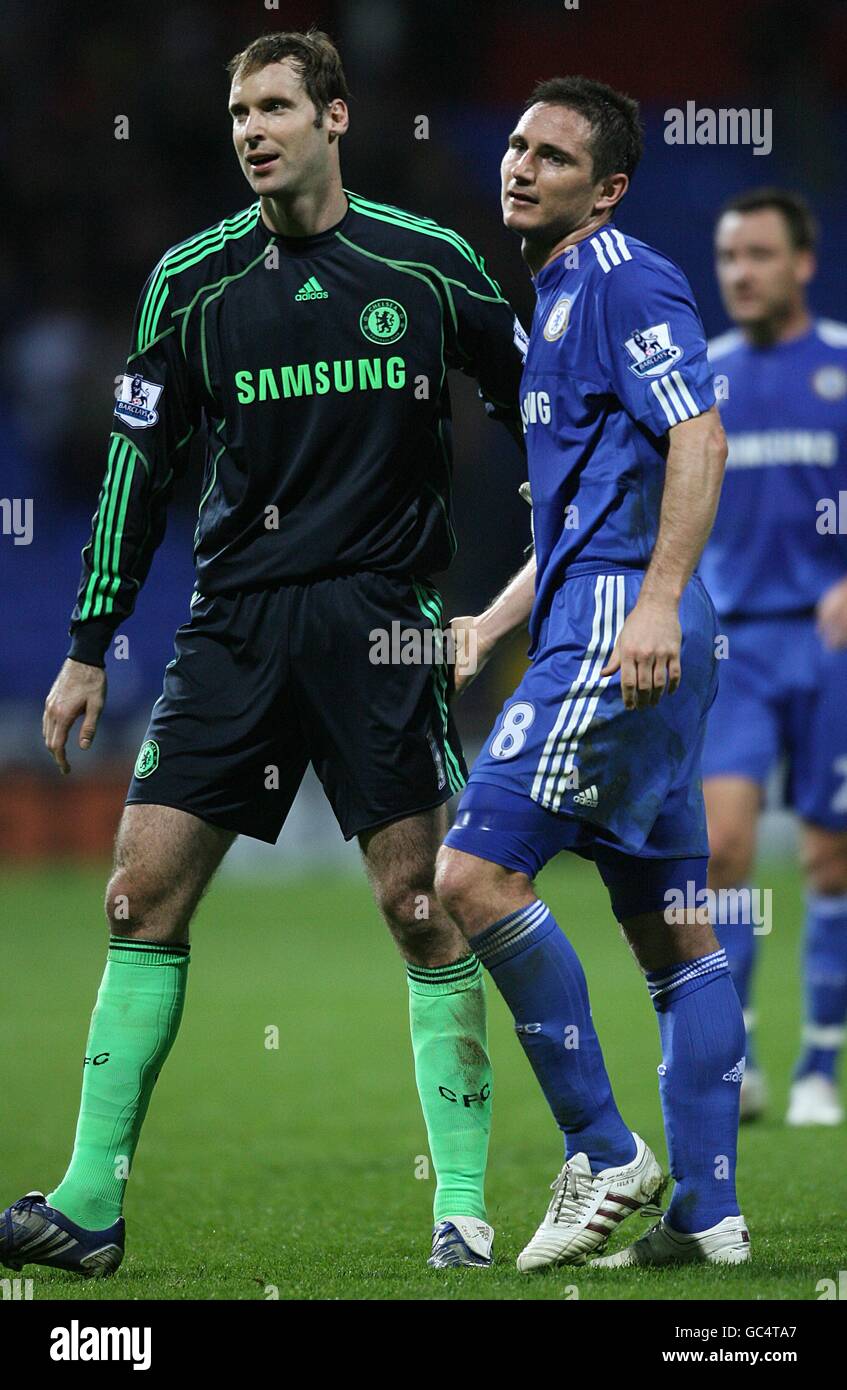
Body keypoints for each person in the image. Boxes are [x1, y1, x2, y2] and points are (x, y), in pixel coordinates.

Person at [0, 29, 526, 1279]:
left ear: (335, 118)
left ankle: (458, 1205)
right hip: (232, 621)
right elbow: (137, 466)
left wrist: (542, 579)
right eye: (239, 111)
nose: (251, 129)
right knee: (138, 892)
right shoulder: (189, 281)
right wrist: (87, 646)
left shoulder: (429, 263)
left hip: (378, 618)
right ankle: (88, 1203)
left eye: (277, 106)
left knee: (417, 906)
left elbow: (540, 410)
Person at [437, 76, 750, 1271]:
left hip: (627, 620)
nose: (519, 165)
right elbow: (579, 509)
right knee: (673, 929)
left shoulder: (624, 277)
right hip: (617, 610)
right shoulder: (559, 294)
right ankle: (708, 1215)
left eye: (553, 156)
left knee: (471, 875)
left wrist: (658, 598)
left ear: (606, 187)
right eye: (515, 143)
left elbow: (696, 432)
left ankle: (604, 1150)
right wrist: (494, 615)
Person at [700, 188, 847, 1127]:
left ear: (801, 263)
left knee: (830, 863)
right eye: (727, 257)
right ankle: (740, 1059)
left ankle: (817, 1070)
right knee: (720, 853)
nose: (739, 273)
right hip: (735, 645)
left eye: (757, 254)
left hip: (831, 644)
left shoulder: (840, 368)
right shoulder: (700, 380)